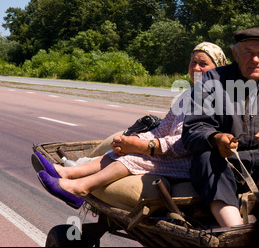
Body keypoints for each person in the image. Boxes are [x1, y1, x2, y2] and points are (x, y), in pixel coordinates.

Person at [33, 42, 228, 209]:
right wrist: (133, 140)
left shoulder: (215, 99)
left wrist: (141, 147)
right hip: (173, 153)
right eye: (193, 62)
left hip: (192, 160)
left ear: (217, 68)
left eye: (203, 64)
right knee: (125, 149)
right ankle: (68, 172)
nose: (196, 68)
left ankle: (80, 188)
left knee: (134, 155)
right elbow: (162, 129)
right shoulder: (187, 95)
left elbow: (184, 142)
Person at [181, 28, 259, 227]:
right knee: (206, 159)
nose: (255, 59)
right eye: (248, 52)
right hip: (226, 164)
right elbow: (193, 129)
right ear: (235, 54)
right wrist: (216, 139)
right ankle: (235, 229)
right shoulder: (212, 80)